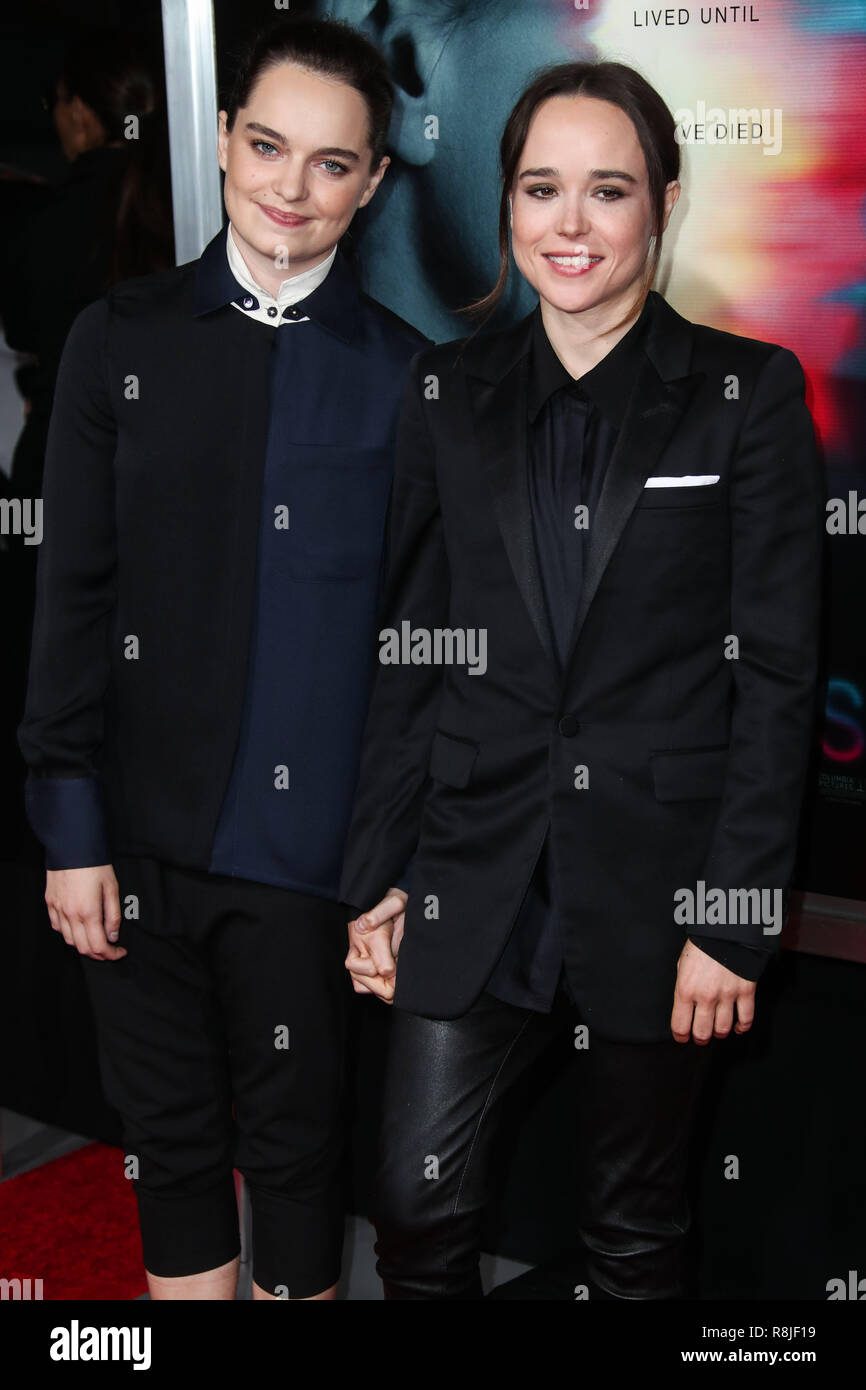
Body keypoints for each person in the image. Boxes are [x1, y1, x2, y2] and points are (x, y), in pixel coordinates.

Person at [339, 60, 824, 1299]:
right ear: (505, 205)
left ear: (661, 202)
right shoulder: (444, 392)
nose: (568, 222)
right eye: (540, 188)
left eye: (605, 190)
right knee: (410, 1201)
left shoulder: (744, 393)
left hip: (659, 884)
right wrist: (378, 871)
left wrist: (735, 915)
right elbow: (409, 650)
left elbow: (774, 675)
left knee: (632, 1222)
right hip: (472, 863)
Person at [18, 15, 425, 1301]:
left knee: (300, 1153)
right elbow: (68, 599)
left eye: (328, 164)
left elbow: (419, 653)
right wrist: (70, 826)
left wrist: (386, 865)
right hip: (134, 838)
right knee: (170, 1143)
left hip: (306, 868)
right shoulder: (116, 341)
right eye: (265, 146)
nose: (287, 189)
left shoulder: (410, 383)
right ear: (219, 137)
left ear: (369, 185)